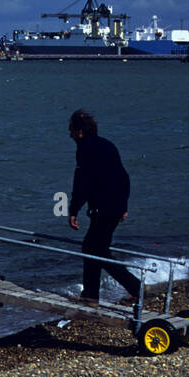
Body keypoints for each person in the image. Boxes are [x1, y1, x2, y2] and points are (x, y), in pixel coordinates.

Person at [67, 109, 142, 304]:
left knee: (97, 250)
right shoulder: (108, 145)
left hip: (104, 208)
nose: (70, 136)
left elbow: (82, 182)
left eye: (72, 131)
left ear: (80, 132)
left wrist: (73, 210)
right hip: (114, 205)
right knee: (94, 248)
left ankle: (136, 287)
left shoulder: (85, 149)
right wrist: (123, 205)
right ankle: (91, 295)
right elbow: (123, 177)